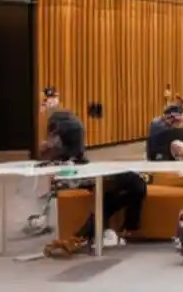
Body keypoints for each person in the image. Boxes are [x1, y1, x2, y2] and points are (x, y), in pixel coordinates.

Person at [42, 109, 148, 256]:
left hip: (84, 171)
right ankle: (126, 228)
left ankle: (86, 234)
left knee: (127, 188)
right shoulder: (56, 146)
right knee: (132, 186)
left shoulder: (60, 141)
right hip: (80, 175)